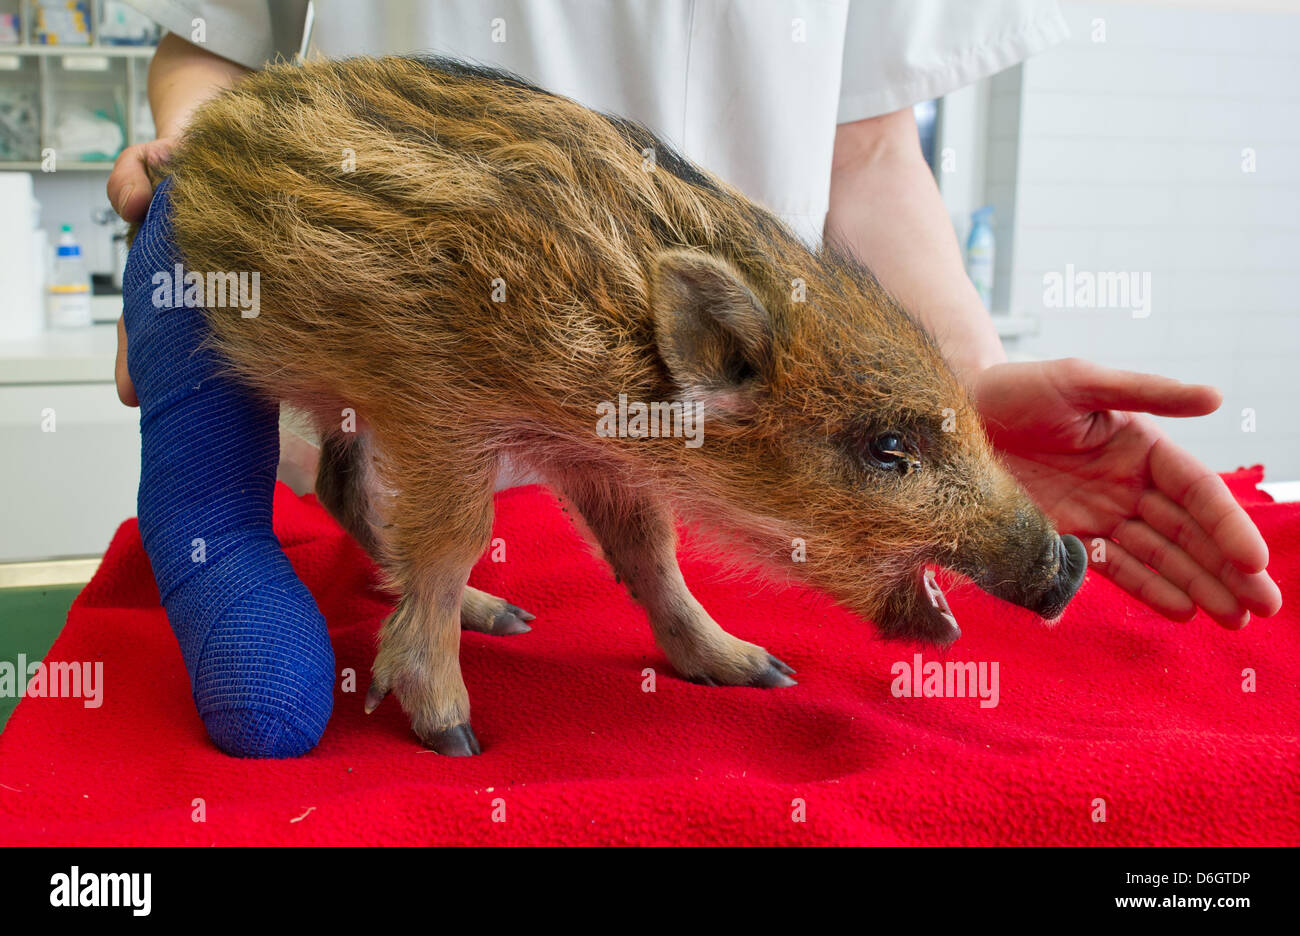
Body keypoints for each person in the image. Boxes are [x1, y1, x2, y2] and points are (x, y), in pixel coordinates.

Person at [111, 0, 1282, 757]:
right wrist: (182, 159)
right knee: (291, 656)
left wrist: (969, 380)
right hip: (253, 240)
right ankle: (416, 630)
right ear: (713, 358)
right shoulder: (595, 333)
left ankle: (662, 617)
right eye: (890, 454)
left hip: (706, 297)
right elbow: (213, 37)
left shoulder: (668, 388)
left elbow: (870, 145)